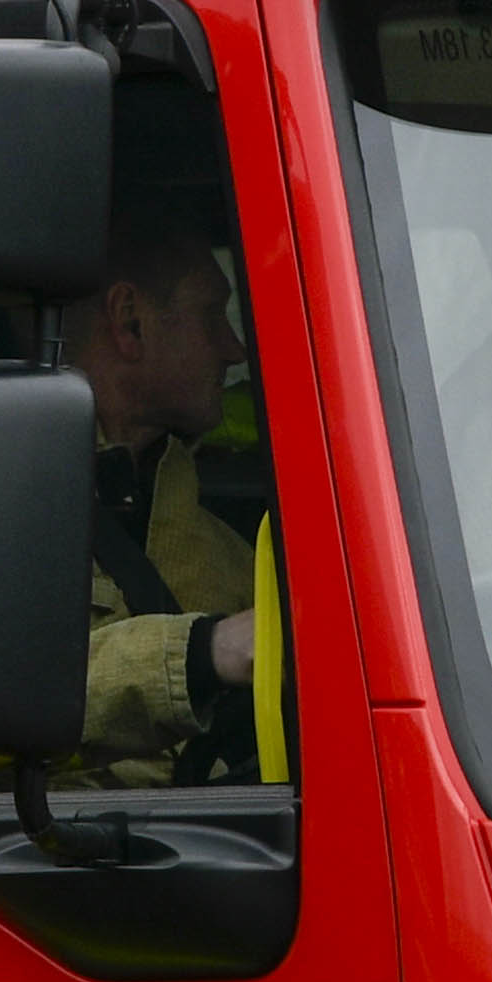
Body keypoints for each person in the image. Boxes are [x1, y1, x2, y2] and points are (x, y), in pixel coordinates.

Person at [71, 241, 280, 779]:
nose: (234, 349)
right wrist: (207, 653)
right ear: (130, 322)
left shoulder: (229, 553)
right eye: (212, 315)